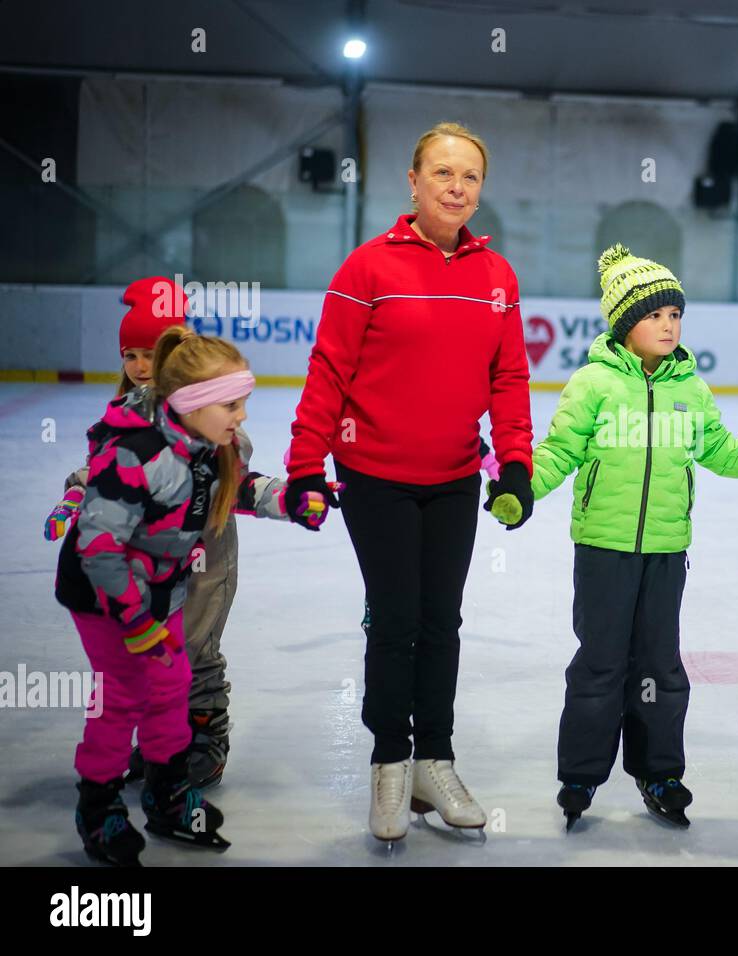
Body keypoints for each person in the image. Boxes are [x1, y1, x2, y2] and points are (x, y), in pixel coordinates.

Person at [286, 122, 534, 842]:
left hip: (456, 474)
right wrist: (306, 464)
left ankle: (436, 758)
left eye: (470, 178)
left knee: (441, 622)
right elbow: (328, 370)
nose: (457, 189)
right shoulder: (368, 269)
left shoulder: (497, 278)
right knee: (395, 622)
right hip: (375, 475)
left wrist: (513, 461)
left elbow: (509, 377)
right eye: (443, 174)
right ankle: (390, 762)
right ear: (414, 180)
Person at [530, 245, 738, 829]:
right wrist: (520, 487)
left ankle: (660, 772)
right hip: (603, 548)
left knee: (659, 665)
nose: (669, 325)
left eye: (675, 315)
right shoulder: (593, 385)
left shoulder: (691, 390)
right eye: (655, 316)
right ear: (626, 324)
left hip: (666, 550)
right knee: (600, 663)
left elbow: (722, 452)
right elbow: (558, 451)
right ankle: (580, 774)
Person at [56, 327, 318, 865]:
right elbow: (99, 548)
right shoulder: (135, 455)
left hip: (159, 589)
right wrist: (135, 619)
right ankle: (98, 806)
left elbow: (238, 489)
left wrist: (293, 499)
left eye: (242, 403)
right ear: (191, 404)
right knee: (124, 694)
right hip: (106, 595)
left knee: (173, 686)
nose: (242, 416)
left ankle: (168, 793)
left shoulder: (209, 447)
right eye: (231, 404)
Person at [47, 276, 249, 788]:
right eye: (130, 355)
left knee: (196, 645)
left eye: (149, 353)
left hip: (205, 552)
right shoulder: (125, 417)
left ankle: (205, 734)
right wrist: (76, 490)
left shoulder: (210, 419)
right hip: (151, 559)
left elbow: (238, 472)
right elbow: (104, 470)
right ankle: (163, 741)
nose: (140, 367)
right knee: (154, 647)